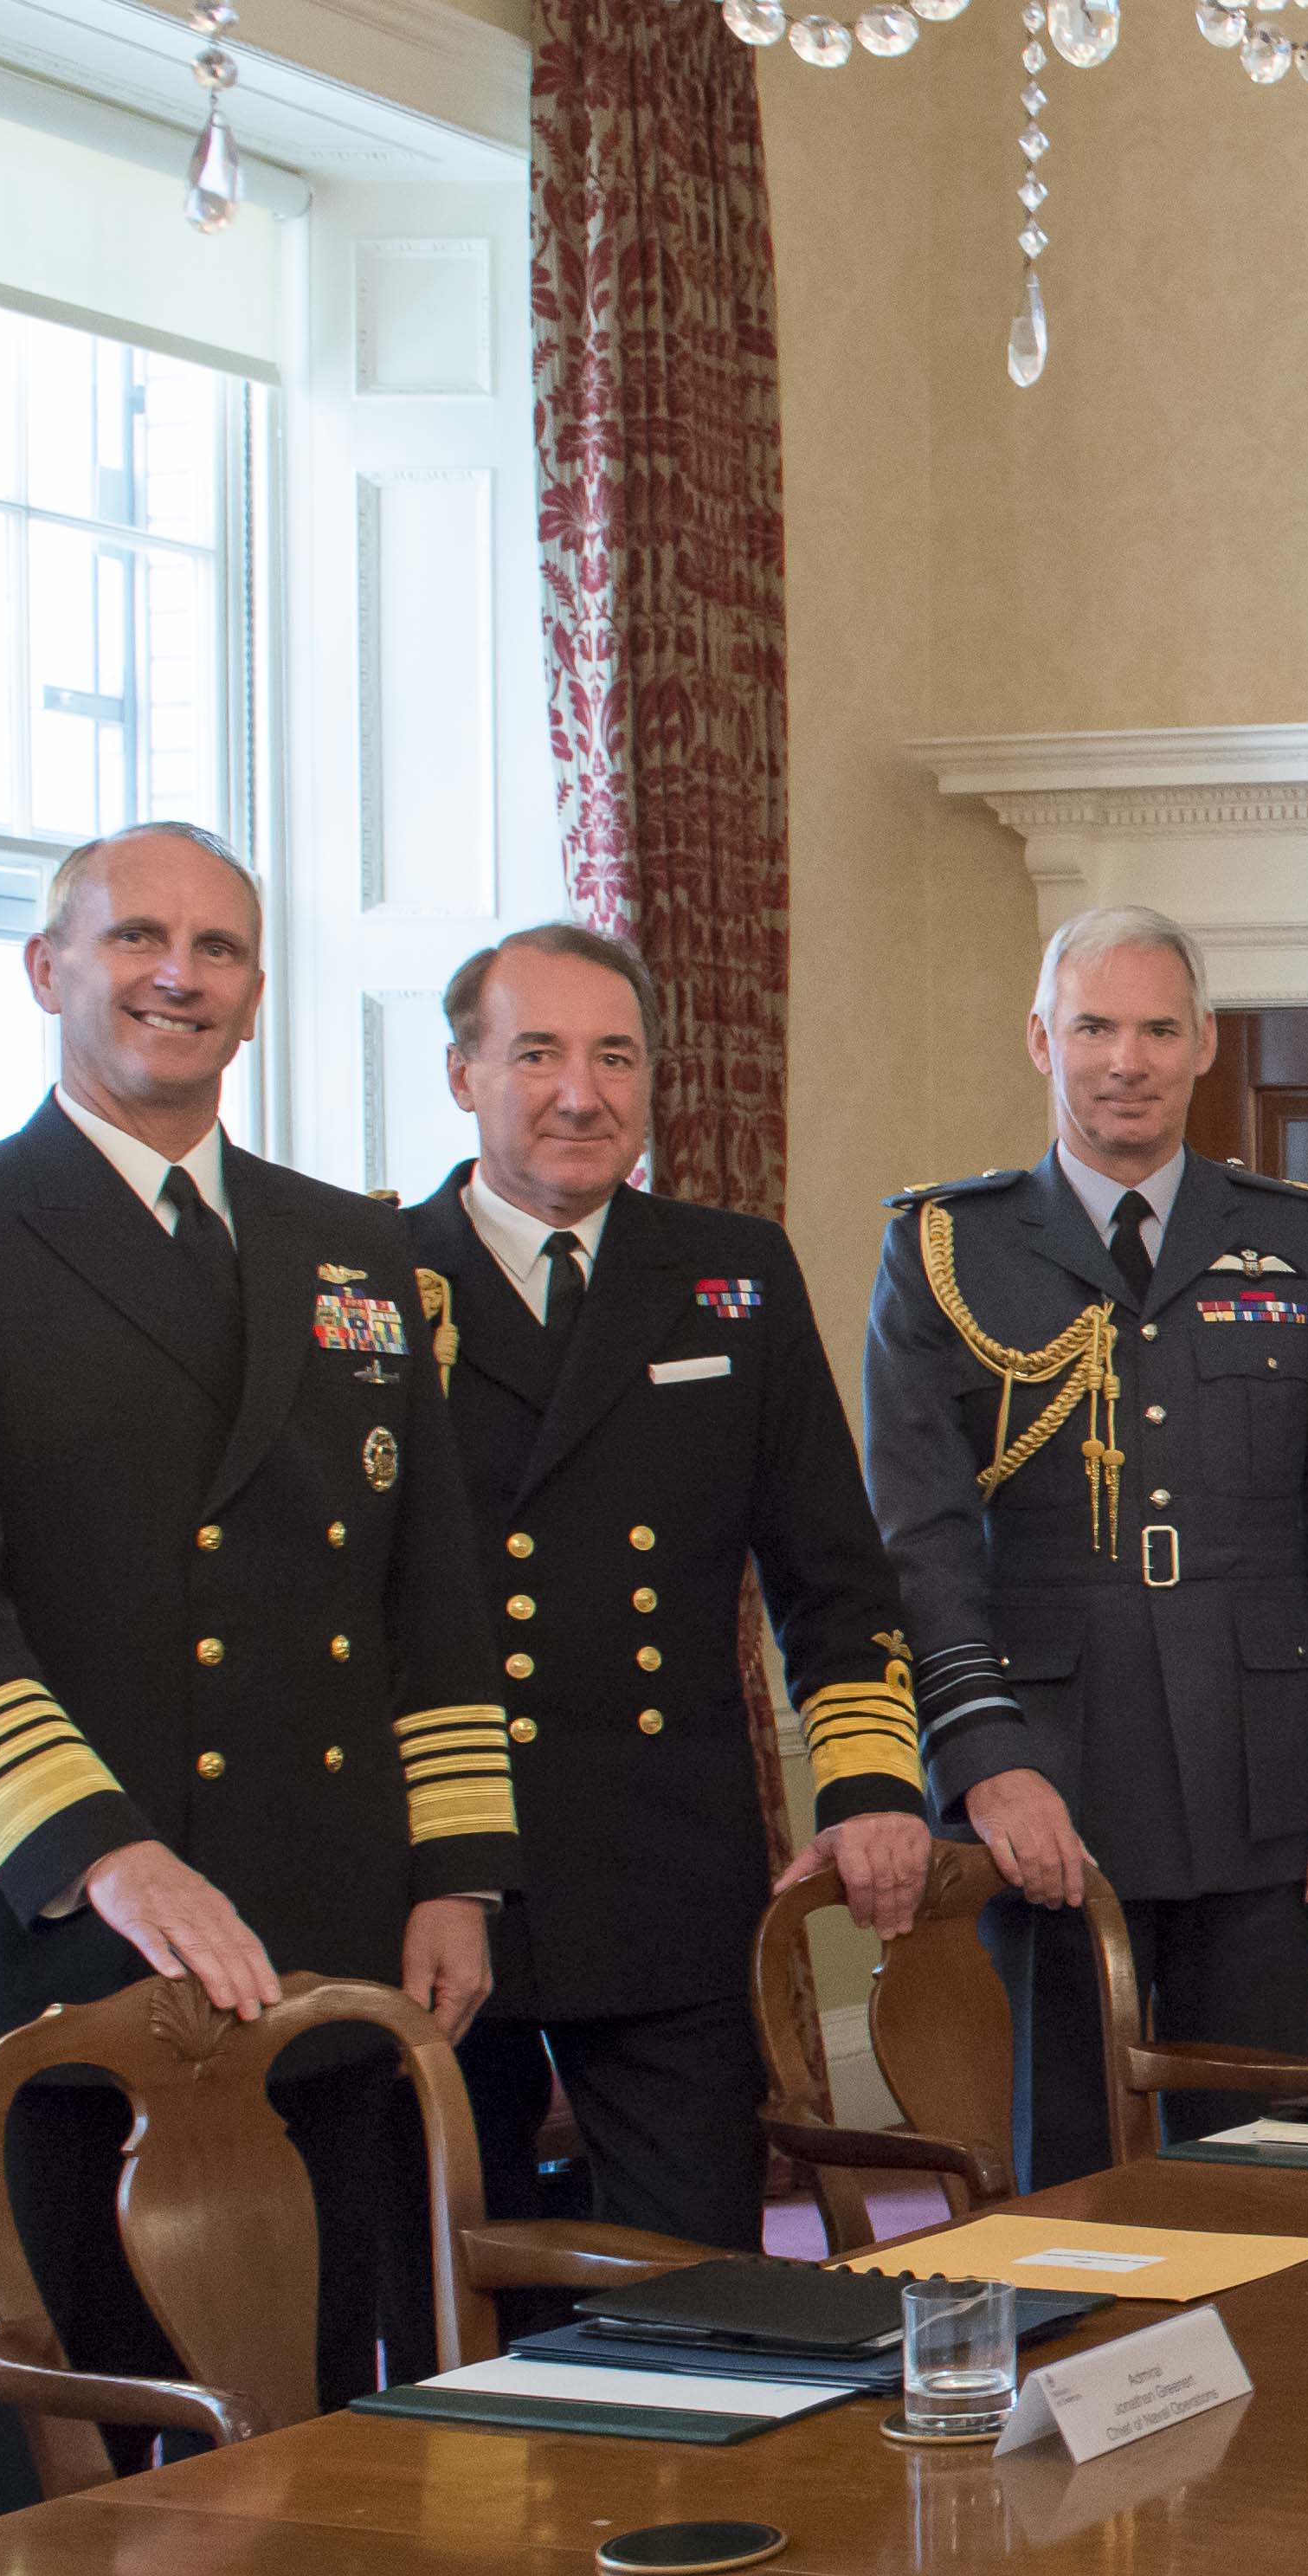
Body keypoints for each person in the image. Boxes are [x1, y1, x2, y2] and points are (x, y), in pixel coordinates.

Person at [0, 822, 514, 2514]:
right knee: (84, 2451)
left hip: (322, 1933)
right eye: (136, 938)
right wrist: (108, 1854)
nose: (177, 976)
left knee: (318, 2408)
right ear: (49, 969)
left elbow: (428, 1594)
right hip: (58, 1934)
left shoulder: (353, 1248)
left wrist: (456, 1871)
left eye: (217, 949)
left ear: (257, 998)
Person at [407, 920, 931, 2246]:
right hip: (436, 1870)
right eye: (536, 1054)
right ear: (461, 1073)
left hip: (663, 1869)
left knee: (697, 2277)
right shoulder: (368, 1284)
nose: (580, 1092)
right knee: (427, 2289)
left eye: (614, 1056)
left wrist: (869, 1780)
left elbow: (832, 1568)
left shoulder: (730, 1273)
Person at [864, 903, 1308, 2183]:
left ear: (1205, 1043)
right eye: (1096, 1026)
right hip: (1052, 1773)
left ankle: (1265, 2372)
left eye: (1159, 1027)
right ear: (1042, 1042)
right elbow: (920, 1534)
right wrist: (985, 1761)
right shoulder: (946, 1248)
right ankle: (1075, 2377)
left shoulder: (1300, 1235)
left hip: (1262, 1766)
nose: (1128, 1058)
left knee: (1259, 2144)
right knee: (1067, 2139)